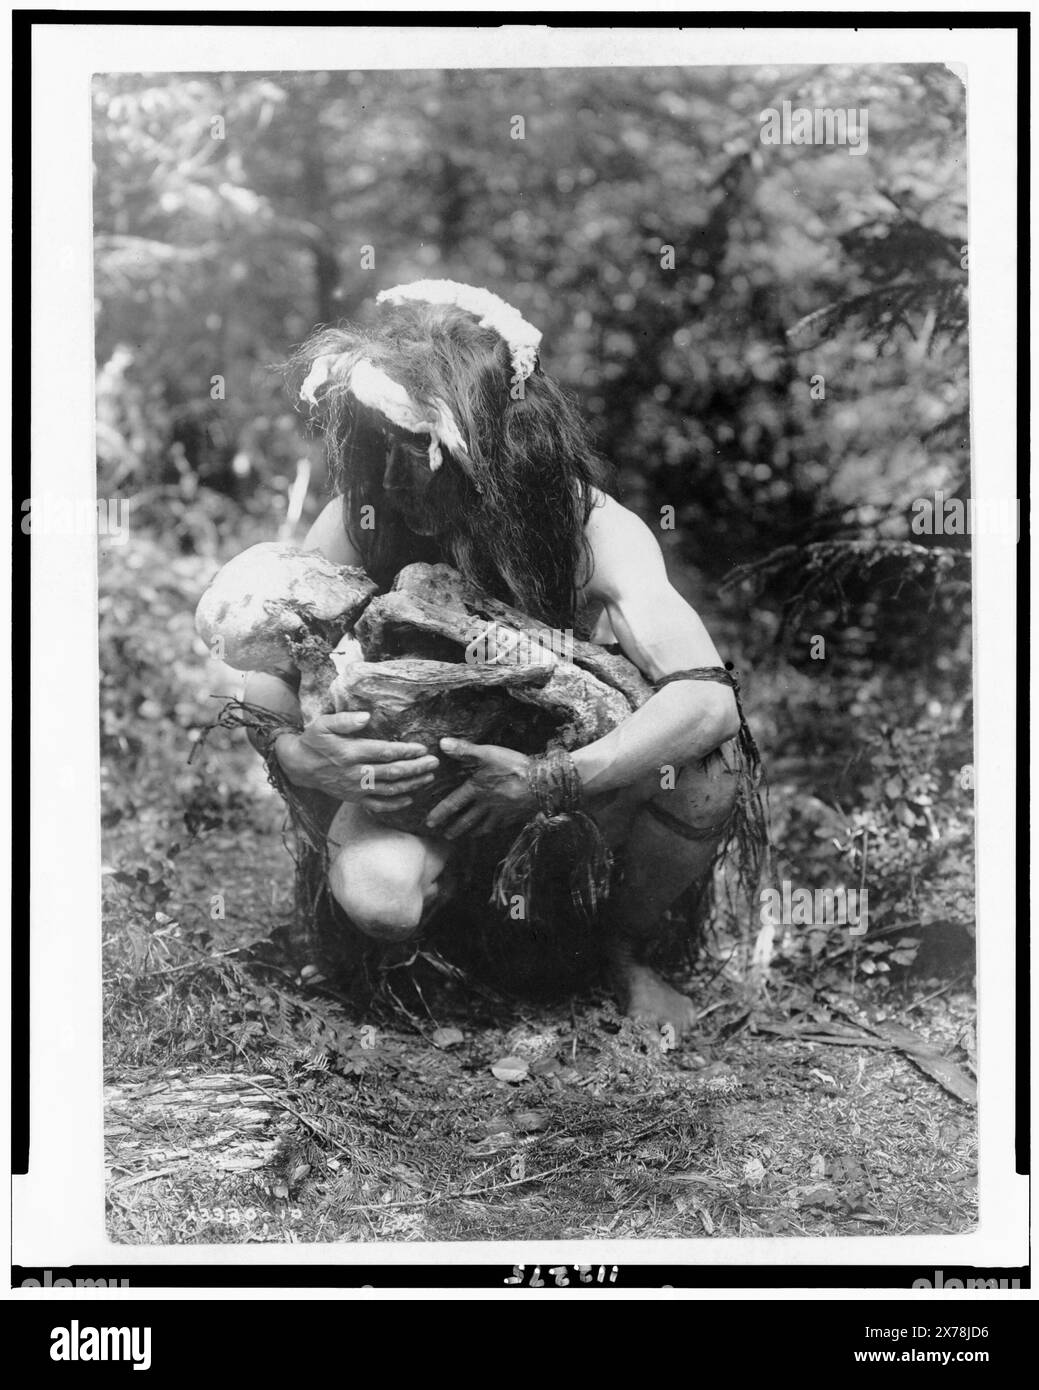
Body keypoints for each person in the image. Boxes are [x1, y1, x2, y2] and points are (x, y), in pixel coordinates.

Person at [243, 280, 745, 1039]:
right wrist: (299, 753)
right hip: (419, 784)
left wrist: (550, 780)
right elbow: (268, 664)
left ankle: (620, 950)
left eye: (416, 459)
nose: (387, 485)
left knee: (705, 774)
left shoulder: (591, 527)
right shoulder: (359, 520)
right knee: (382, 897)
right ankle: (427, 947)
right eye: (377, 456)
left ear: (497, 451)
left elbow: (708, 700)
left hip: (567, 772)